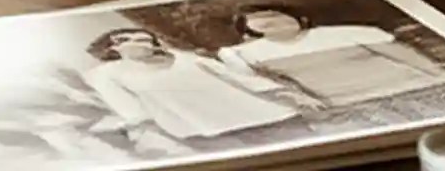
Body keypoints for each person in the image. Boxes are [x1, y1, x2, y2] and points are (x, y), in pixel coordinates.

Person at [80, 27, 311, 150]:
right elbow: (133, 112)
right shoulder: (105, 74)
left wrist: (290, 94)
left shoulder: (185, 58)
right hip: (207, 134)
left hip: (271, 118)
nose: (143, 41)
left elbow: (241, 78)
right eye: (126, 39)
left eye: (145, 37)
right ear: (112, 48)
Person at [216, 4, 445, 108]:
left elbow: (412, 58)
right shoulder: (248, 54)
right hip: (348, 103)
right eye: (264, 25)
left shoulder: (351, 32)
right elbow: (270, 86)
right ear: (248, 33)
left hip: (420, 88)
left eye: (277, 17)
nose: (275, 25)